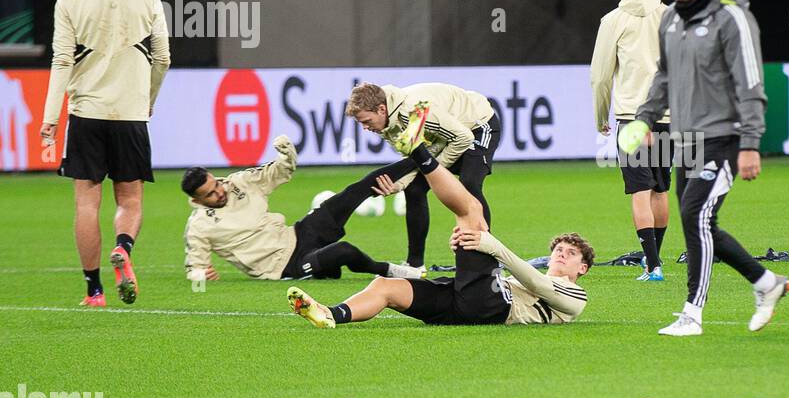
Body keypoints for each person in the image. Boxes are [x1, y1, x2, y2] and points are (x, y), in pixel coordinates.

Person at [623, 0, 789, 336]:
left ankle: (692, 313)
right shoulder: (671, 19)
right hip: (687, 140)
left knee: (695, 214)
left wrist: (751, 143)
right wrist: (645, 119)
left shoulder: (732, 17)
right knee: (700, 221)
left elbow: (751, 84)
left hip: (726, 138)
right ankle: (768, 284)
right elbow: (664, 76)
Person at [287, 147, 592, 329]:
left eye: (571, 253)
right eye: (560, 249)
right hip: (464, 302)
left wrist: (492, 247)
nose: (562, 253)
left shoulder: (576, 297)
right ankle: (329, 315)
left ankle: (421, 154)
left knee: (472, 211)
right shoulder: (535, 271)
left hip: (495, 305)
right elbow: (523, 276)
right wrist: (472, 254)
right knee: (385, 288)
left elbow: (538, 285)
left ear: (583, 269)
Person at [41, 0, 170, 307]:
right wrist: (148, 99)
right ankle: (124, 248)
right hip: (130, 114)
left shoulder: (69, 1)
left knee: (86, 203)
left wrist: (51, 117)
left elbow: (62, 60)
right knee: (129, 200)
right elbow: (162, 57)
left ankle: (93, 290)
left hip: (86, 113)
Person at [181, 136, 429, 283]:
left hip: (298, 234)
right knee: (344, 251)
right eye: (210, 194)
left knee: (355, 191)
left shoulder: (237, 183)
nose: (219, 191)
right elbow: (195, 269)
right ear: (197, 200)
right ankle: (390, 271)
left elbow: (280, 173)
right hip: (284, 266)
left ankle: (422, 157)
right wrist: (200, 279)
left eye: (216, 184)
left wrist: (287, 157)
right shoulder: (199, 227)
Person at [346, 80, 500, 269]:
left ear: (381, 109)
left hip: (478, 126)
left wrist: (434, 171)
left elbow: (463, 137)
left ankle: (487, 258)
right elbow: (416, 157)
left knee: (469, 184)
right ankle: (415, 265)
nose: (365, 128)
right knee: (414, 189)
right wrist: (399, 185)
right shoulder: (386, 124)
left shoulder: (415, 110)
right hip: (447, 136)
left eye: (366, 122)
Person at [590, 0, 671, 281]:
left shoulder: (612, 20)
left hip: (631, 117)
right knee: (661, 189)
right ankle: (654, 258)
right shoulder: (670, 17)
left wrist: (600, 116)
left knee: (639, 191)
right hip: (667, 116)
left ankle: (652, 265)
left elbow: (600, 76)